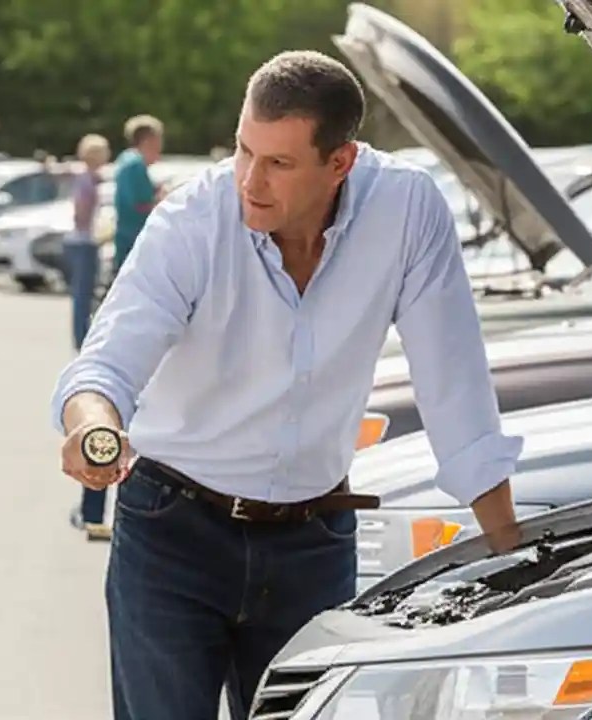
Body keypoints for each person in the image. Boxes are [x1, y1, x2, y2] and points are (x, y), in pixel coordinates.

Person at [50, 50, 524, 720]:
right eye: (244, 150)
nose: (251, 180)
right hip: (172, 535)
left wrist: (512, 560)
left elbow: (456, 385)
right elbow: (106, 366)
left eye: (278, 162)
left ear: (340, 162)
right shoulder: (191, 223)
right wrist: (93, 425)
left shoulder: (406, 211)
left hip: (313, 544)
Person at [64, 133, 113, 541]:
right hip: (83, 240)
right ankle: (92, 512)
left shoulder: (92, 179)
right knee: (82, 298)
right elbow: (82, 212)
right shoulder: (86, 180)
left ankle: (91, 511)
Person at [110, 114, 163, 274]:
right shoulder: (135, 165)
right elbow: (140, 204)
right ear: (148, 140)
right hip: (134, 237)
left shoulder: (126, 160)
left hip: (127, 235)